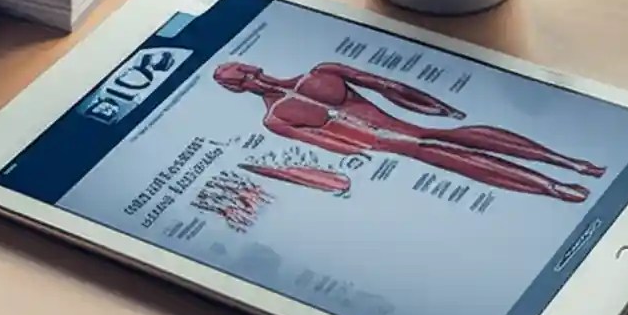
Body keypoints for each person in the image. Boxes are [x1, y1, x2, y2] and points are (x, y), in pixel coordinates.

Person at [212, 61, 605, 203]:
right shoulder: (275, 119)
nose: (251, 78)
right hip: (380, 141)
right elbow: (321, 140)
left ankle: (564, 163)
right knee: (439, 149)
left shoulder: (320, 73)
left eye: (246, 71)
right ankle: (552, 186)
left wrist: (437, 106)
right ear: (236, 89)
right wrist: (360, 151)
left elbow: (387, 86)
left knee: (451, 136)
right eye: (241, 80)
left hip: (395, 125)